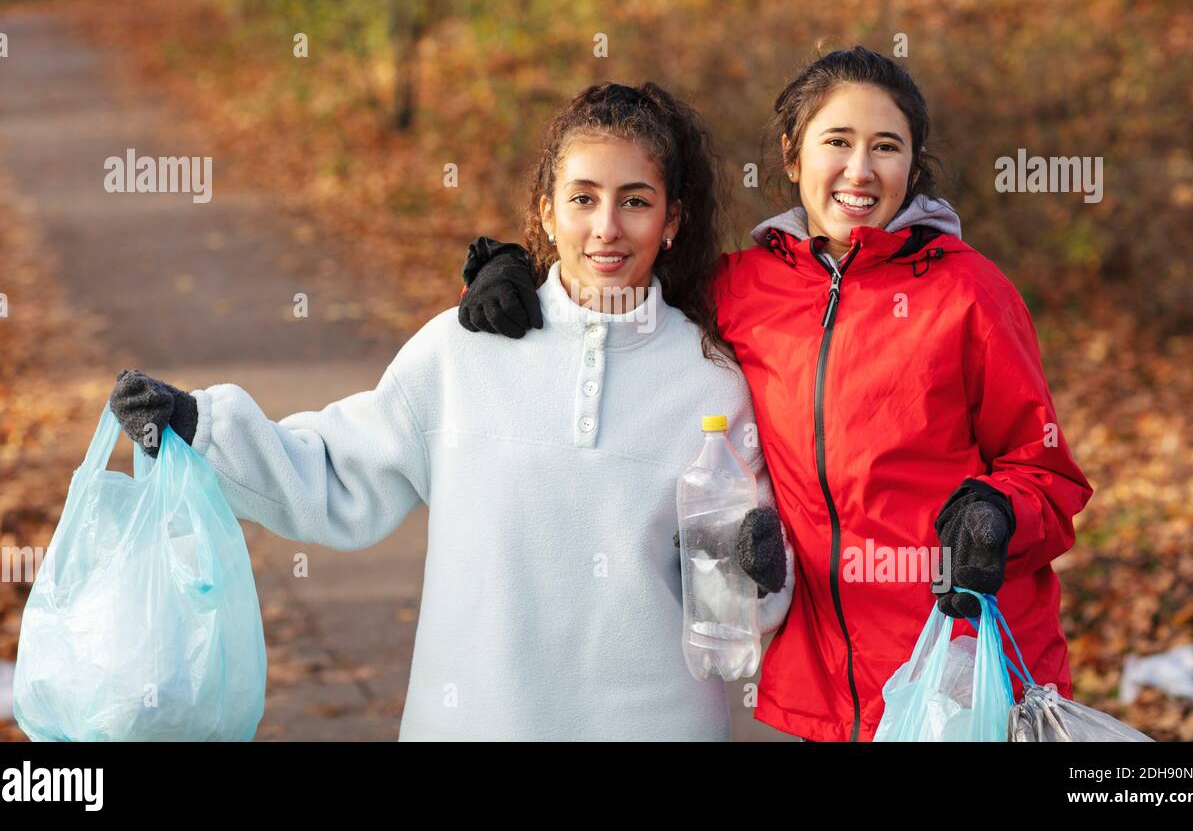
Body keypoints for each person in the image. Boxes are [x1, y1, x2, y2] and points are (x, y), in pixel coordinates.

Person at [108, 82, 794, 741]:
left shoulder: (710, 383)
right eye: (583, 198)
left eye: (635, 201)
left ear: (671, 220)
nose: (606, 227)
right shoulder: (464, 349)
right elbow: (336, 472)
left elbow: (736, 606)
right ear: (547, 211)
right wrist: (201, 430)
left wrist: (755, 570)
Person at [457, 47, 1094, 741]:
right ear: (792, 154)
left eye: (886, 147)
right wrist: (511, 267)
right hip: (826, 687)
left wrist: (1002, 513)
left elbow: (1048, 473)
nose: (860, 171)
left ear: (913, 163)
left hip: (964, 681)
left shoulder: (970, 294)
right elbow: (611, 279)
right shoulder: (739, 288)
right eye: (838, 142)